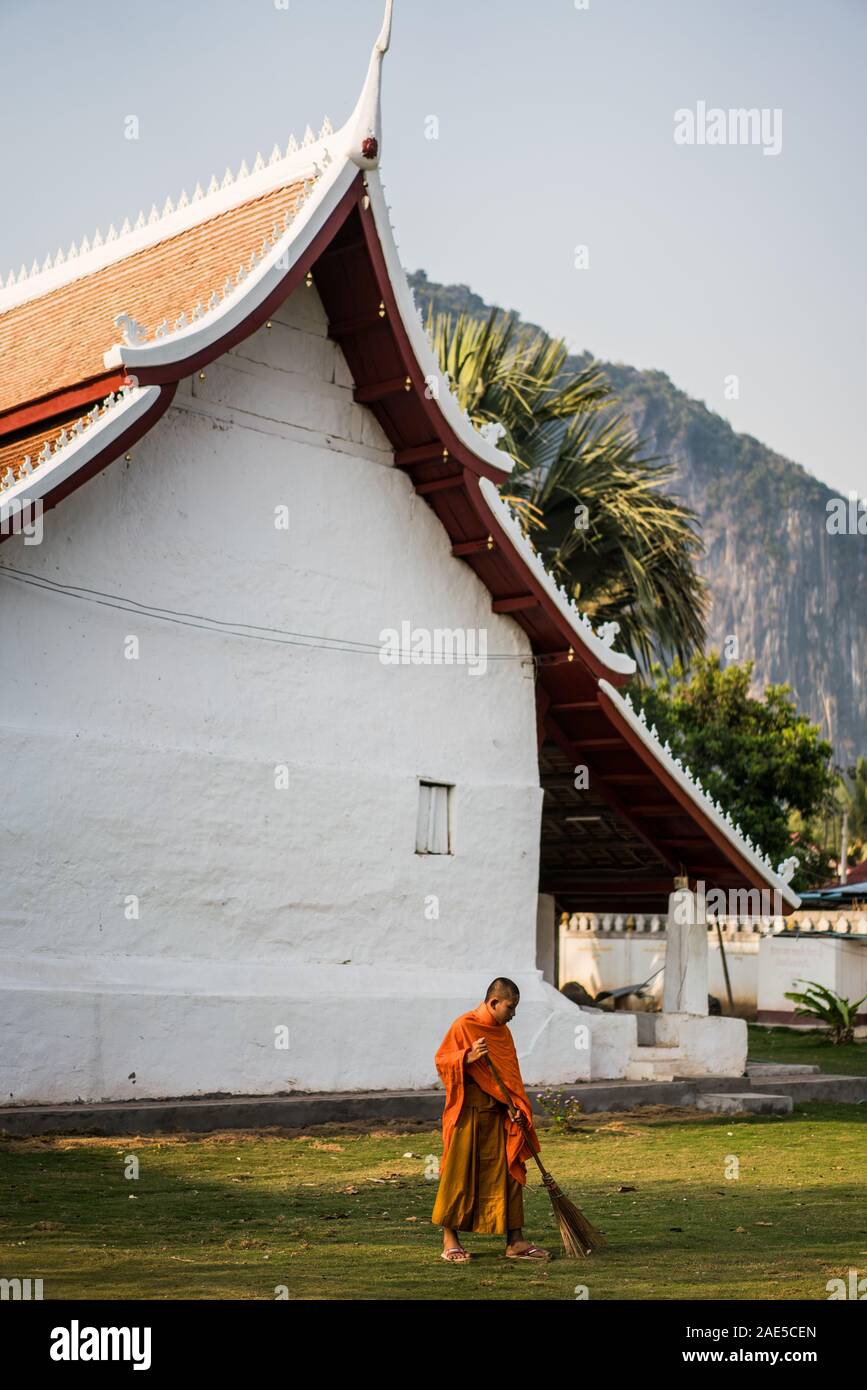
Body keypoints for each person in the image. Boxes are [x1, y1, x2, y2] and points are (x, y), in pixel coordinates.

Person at [431, 977, 551, 1262]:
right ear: (494, 1002)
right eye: (510, 1007)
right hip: (468, 1115)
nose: (513, 1014)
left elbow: (508, 1076)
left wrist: (515, 1106)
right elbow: (441, 1061)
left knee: (509, 1174)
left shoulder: (503, 1033)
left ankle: (516, 1241)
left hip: (499, 1114)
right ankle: (450, 1241)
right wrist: (466, 1057)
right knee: (458, 1175)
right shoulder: (464, 1026)